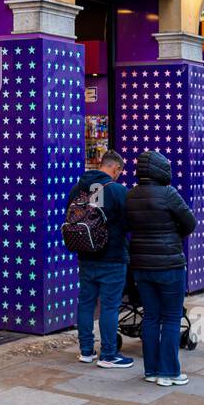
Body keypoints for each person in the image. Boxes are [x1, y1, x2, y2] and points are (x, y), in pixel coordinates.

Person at [125, 149, 196, 387]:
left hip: (141, 264)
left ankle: (151, 370)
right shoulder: (169, 193)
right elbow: (190, 223)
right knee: (172, 318)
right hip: (169, 263)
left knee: (151, 317)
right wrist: (174, 236)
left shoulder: (131, 195)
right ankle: (169, 372)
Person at [68, 149, 132, 368]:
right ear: (115, 168)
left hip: (85, 255)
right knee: (109, 306)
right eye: (119, 171)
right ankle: (109, 355)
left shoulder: (78, 188)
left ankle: (86, 351)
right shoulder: (117, 190)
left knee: (85, 303)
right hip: (112, 257)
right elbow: (130, 223)